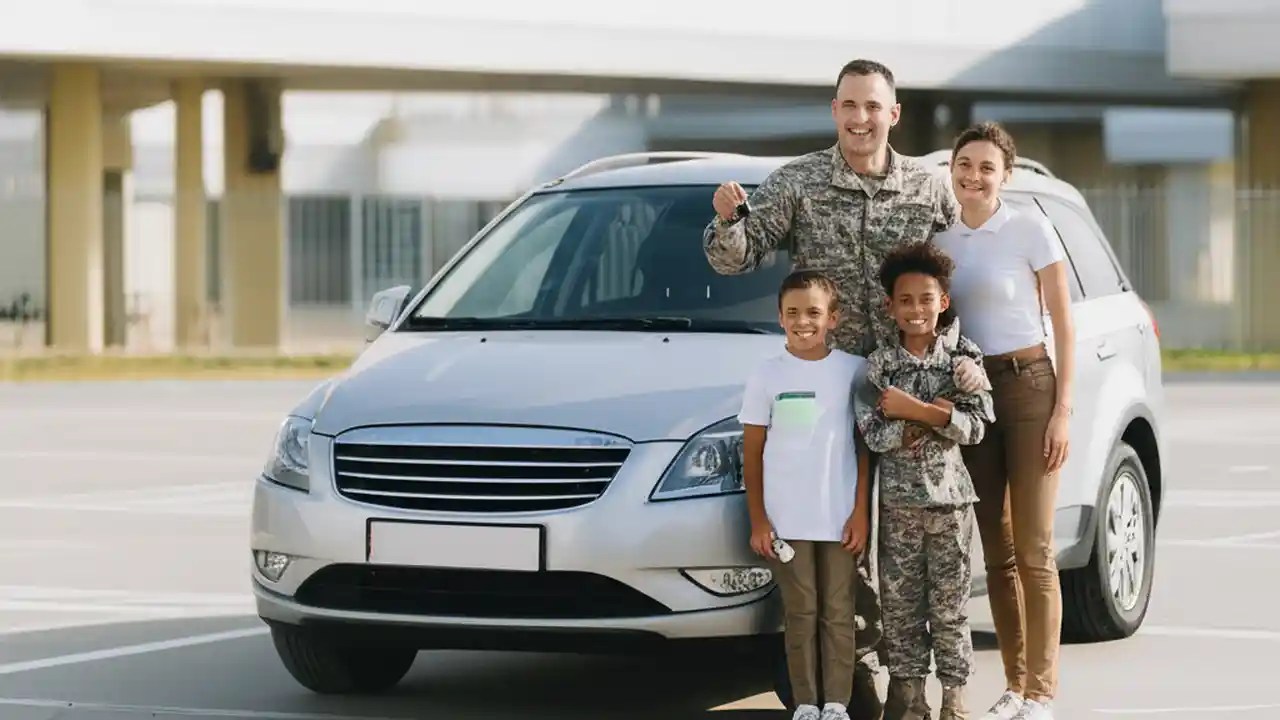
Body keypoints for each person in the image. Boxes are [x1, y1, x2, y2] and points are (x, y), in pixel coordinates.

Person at [703, 57, 987, 717]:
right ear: (835, 111)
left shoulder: (929, 187)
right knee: (844, 557)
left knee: (914, 559)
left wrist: (966, 358)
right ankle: (852, 693)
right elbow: (735, 256)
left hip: (911, 397)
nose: (860, 118)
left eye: (873, 106)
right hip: (828, 398)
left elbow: (967, 271)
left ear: (894, 114)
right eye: (848, 105)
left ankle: (921, 692)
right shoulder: (798, 183)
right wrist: (725, 220)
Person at [930, 122, 1076, 720]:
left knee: (1036, 547)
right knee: (997, 549)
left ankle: (1042, 692)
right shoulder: (942, 240)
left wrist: (1063, 411)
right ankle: (1014, 686)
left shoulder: (1030, 227)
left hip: (1029, 386)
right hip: (972, 394)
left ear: (1005, 175)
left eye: (987, 167)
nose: (973, 176)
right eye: (965, 164)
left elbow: (1064, 324)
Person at [854, 242, 995, 720]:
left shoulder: (962, 360)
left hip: (951, 506)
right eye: (906, 301)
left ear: (944, 302)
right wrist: (934, 418)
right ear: (890, 307)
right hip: (898, 510)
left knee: (951, 610)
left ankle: (955, 701)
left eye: (926, 299)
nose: (917, 310)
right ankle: (910, 701)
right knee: (901, 611)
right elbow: (872, 432)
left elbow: (976, 427)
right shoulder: (879, 365)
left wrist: (914, 412)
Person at [739, 269, 872, 720]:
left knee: (838, 611)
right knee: (800, 613)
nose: (803, 322)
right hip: (786, 523)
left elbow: (863, 446)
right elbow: (752, 454)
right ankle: (806, 704)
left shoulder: (854, 370)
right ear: (779, 317)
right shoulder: (766, 375)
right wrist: (759, 519)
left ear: (833, 318)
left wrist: (860, 513)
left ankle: (836, 703)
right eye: (792, 313)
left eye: (814, 312)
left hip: (838, 520)